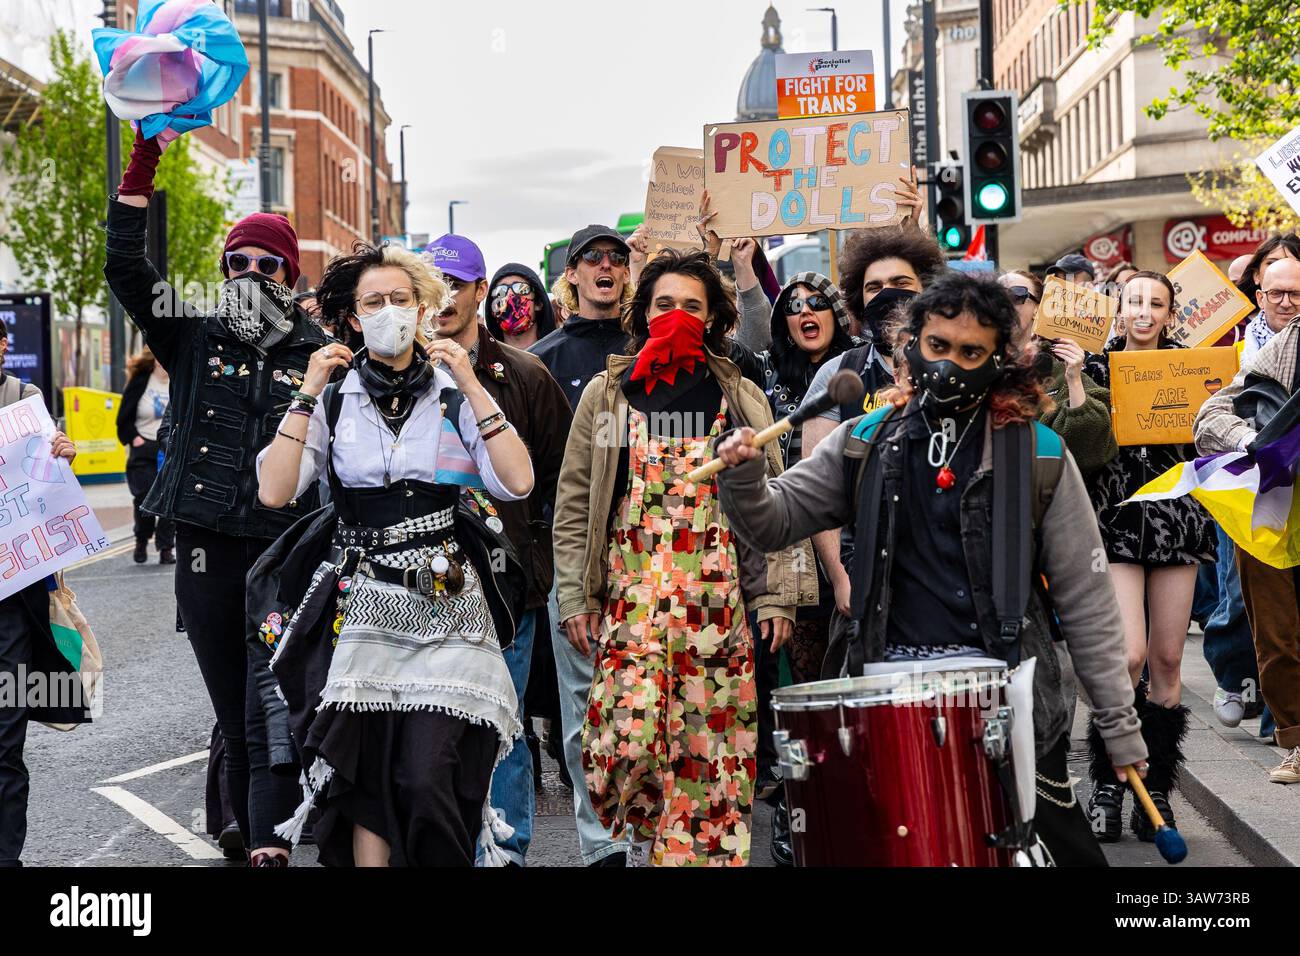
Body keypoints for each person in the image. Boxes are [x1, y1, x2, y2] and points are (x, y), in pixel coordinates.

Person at [712, 271, 1146, 866]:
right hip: (889, 705)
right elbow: (773, 521)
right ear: (910, 346)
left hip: (1009, 705)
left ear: (1002, 361)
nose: (950, 365)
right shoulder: (860, 440)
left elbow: (1087, 600)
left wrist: (1119, 726)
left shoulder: (1040, 452)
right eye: (938, 347)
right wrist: (741, 474)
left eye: (971, 353)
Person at [257, 241, 534, 865]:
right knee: (367, 774)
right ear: (353, 317)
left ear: (424, 307)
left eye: (400, 299)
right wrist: (306, 391)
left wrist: (467, 377)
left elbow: (517, 480)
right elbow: (274, 490)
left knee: (427, 773)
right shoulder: (333, 396)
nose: (388, 311)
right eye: (373, 301)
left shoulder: (451, 391)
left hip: (445, 599)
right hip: (360, 606)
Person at [106, 130, 327, 866]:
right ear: (223, 268)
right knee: (235, 714)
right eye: (240, 262)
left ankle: (270, 839)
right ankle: (250, 837)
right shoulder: (192, 337)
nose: (254, 272)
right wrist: (144, 157)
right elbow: (124, 267)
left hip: (282, 551)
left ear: (290, 277)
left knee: (275, 708)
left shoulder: (319, 352)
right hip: (203, 550)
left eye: (269, 264)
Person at [553, 248, 810, 866]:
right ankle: (639, 834)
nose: (676, 314)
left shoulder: (740, 395)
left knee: (709, 775)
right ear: (642, 312)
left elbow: (779, 497)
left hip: (716, 611)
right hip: (631, 603)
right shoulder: (609, 396)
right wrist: (575, 596)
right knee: (628, 742)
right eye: (664, 304)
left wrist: (777, 597)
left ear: (715, 317)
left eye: (691, 306)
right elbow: (576, 501)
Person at [422, 236, 573, 865]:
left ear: (481, 292)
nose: (447, 297)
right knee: (431, 738)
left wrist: (537, 562)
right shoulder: (389, 375)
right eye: (436, 285)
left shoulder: (527, 374)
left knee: (502, 734)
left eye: (459, 284)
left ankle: (505, 857)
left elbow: (564, 479)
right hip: (414, 590)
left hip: (505, 589)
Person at [1080, 271, 1216, 839]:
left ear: (1168, 312)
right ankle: (1110, 779)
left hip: (1177, 521)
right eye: (1134, 300)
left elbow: (1211, 440)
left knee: (1166, 660)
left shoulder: (1193, 368)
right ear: (1119, 306)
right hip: (1116, 519)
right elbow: (1079, 437)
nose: (1143, 311)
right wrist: (1070, 377)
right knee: (1129, 656)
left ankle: (1155, 787)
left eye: (1155, 303)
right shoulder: (1092, 364)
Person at [529, 224, 635, 866]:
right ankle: (604, 849)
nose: (604, 266)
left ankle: (661, 832)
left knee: (660, 701)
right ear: (570, 276)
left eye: (616, 258)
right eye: (590, 259)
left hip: (657, 551)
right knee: (584, 708)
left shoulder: (655, 346)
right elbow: (534, 473)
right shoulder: (542, 359)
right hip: (577, 557)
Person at [1194, 258, 1300, 785]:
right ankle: (1295, 740)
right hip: (1269, 515)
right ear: (1259, 294)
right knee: (1276, 634)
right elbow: (1208, 418)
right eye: (1278, 293)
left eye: (1298, 294)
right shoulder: (1272, 353)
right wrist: (1252, 441)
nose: (1288, 304)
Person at [0, 353, 80, 867]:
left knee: (4, 737)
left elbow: (43, 490)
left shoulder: (21, 400)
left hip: (10, 596)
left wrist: (60, 461)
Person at [999, 271, 1117, 480]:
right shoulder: (970, 364)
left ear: (1037, 309)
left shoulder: (1059, 370)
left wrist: (1074, 378)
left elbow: (1091, 452)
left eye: (1016, 295)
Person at [116, 347, 175, 565]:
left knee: (169, 500)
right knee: (143, 499)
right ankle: (141, 539)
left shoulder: (180, 380)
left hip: (169, 449)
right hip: (144, 449)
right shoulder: (142, 380)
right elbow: (123, 416)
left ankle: (166, 548)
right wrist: (133, 438)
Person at [484, 263, 557, 350]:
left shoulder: (557, 355)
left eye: (520, 288)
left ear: (538, 303)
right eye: (501, 291)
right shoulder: (483, 360)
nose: (509, 295)